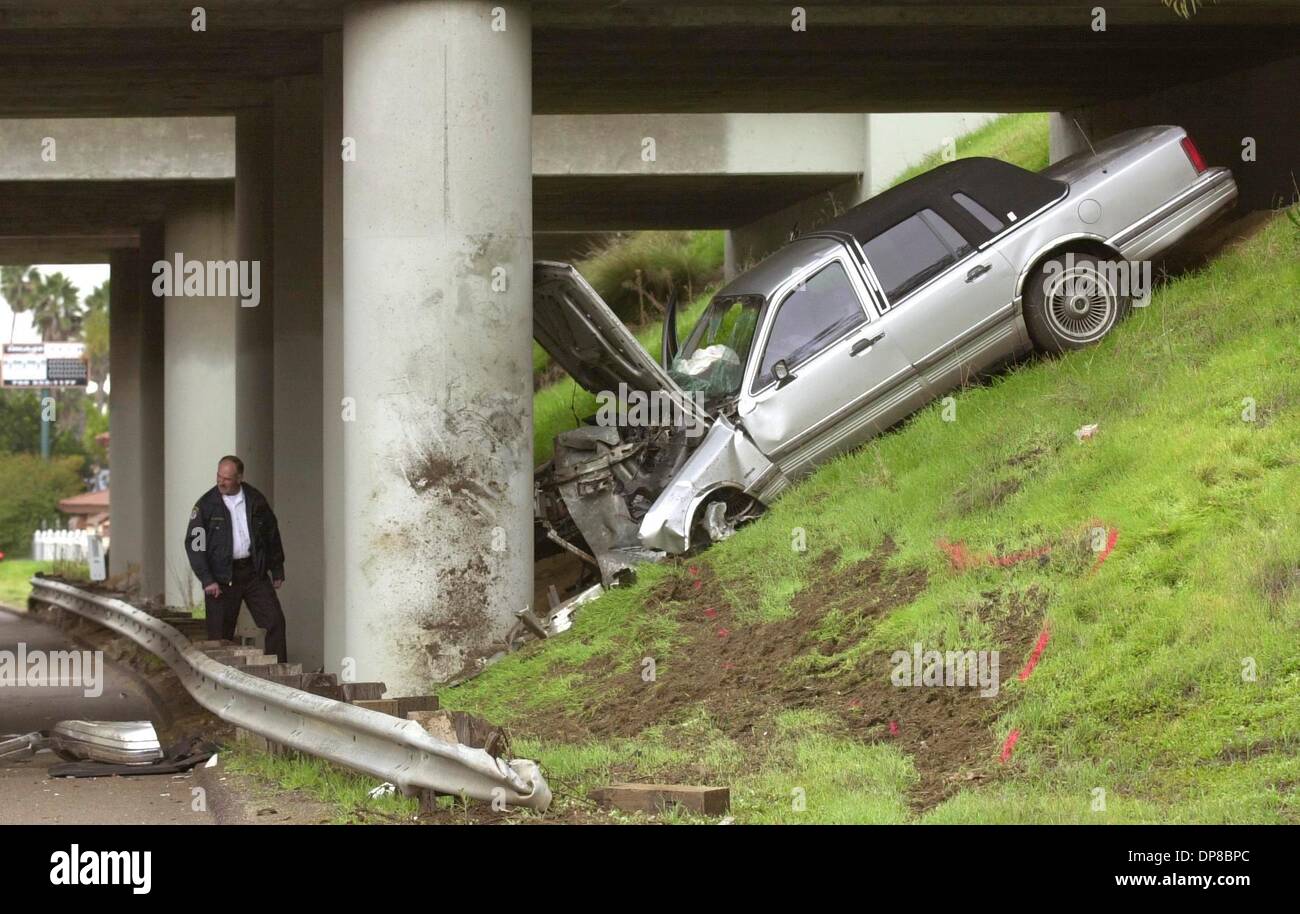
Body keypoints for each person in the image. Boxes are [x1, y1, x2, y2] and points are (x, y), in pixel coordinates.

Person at [184, 455, 287, 661]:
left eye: (227, 478)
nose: (221, 482)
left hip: (253, 573)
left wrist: (277, 569)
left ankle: (279, 671)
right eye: (219, 476)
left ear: (239, 477)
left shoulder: (256, 500)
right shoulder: (205, 505)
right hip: (221, 578)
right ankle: (222, 681)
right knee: (220, 635)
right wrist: (207, 579)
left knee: (275, 621)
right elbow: (195, 546)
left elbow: (271, 535)